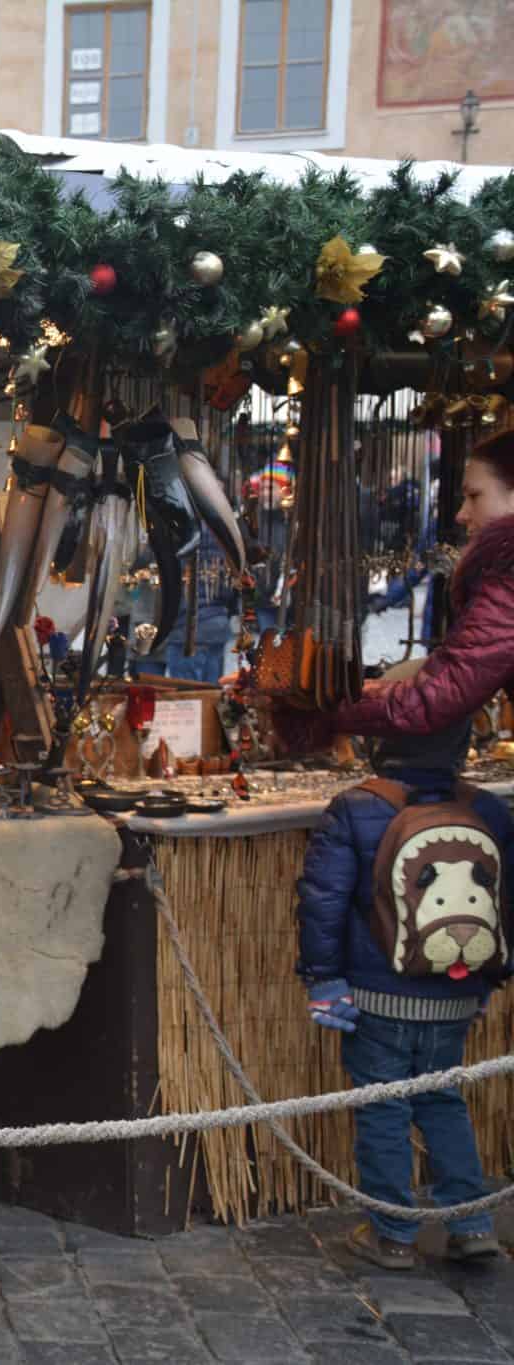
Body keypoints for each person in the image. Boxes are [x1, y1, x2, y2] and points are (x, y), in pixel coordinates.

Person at [295, 673, 509, 1268]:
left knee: (383, 1105)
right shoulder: (485, 808)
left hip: (377, 997)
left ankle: (393, 1234)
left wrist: (323, 980)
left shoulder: (358, 807)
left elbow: (323, 900)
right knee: (443, 1100)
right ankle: (472, 1224)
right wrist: (491, 977)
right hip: (455, 994)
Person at [296, 428, 514, 744]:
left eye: (474, 496)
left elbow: (433, 697)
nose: (461, 514)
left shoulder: (507, 574)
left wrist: (311, 708)